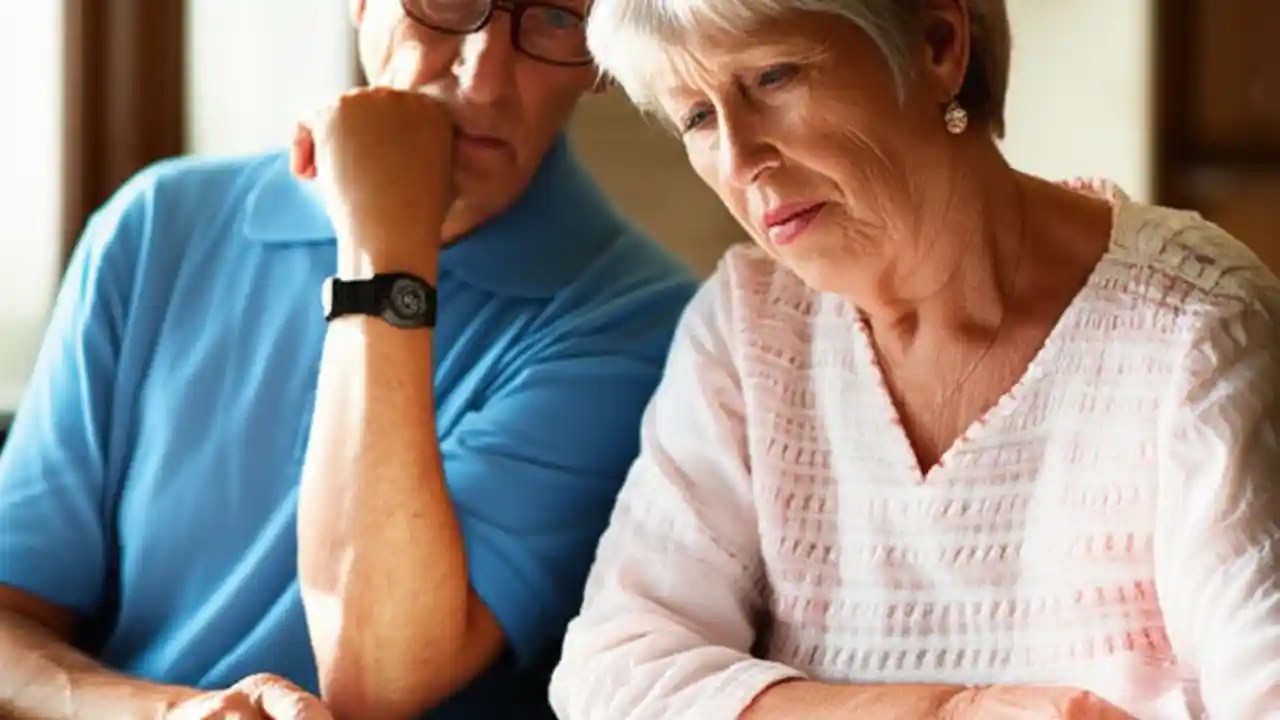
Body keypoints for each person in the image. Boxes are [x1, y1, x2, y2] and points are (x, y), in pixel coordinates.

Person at [550, 0, 1280, 718]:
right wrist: (947, 711)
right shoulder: (751, 323)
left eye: (773, 77)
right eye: (699, 118)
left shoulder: (1195, 320)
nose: (740, 160)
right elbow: (613, 671)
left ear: (938, 45)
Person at [0, 0, 696, 717]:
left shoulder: (639, 322)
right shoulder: (155, 227)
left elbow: (375, 676)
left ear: (602, 60)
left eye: (554, 18)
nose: (484, 78)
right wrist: (167, 714)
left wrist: (381, 251)